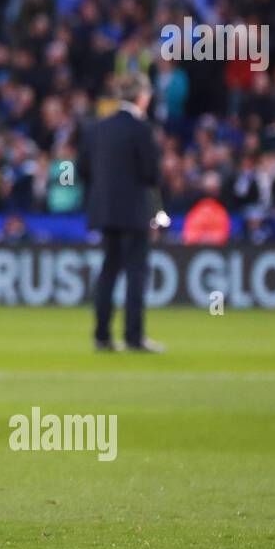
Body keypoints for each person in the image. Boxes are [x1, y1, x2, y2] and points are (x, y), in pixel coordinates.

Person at [79, 72, 164, 352]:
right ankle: (133, 336)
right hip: (135, 212)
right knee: (135, 274)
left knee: (108, 272)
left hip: (105, 211)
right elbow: (151, 173)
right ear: (141, 96)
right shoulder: (142, 129)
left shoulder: (96, 128)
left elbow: (82, 170)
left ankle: (102, 336)